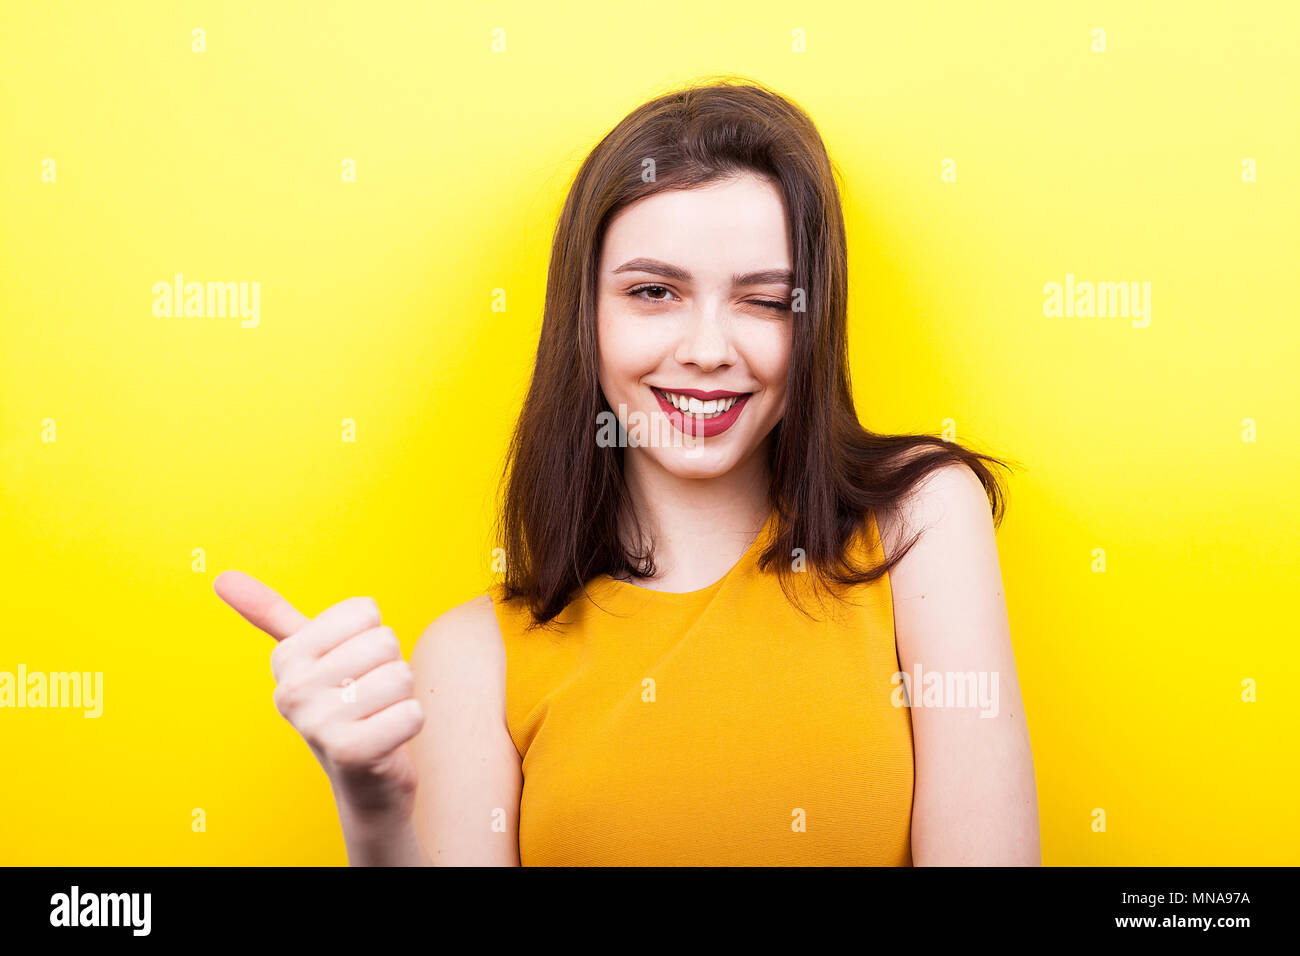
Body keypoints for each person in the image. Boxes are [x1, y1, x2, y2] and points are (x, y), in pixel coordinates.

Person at [214, 77, 1040, 866]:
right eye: (654, 292)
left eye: (762, 300)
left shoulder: (919, 522)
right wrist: (372, 808)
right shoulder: (473, 660)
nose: (709, 350)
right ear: (587, 313)